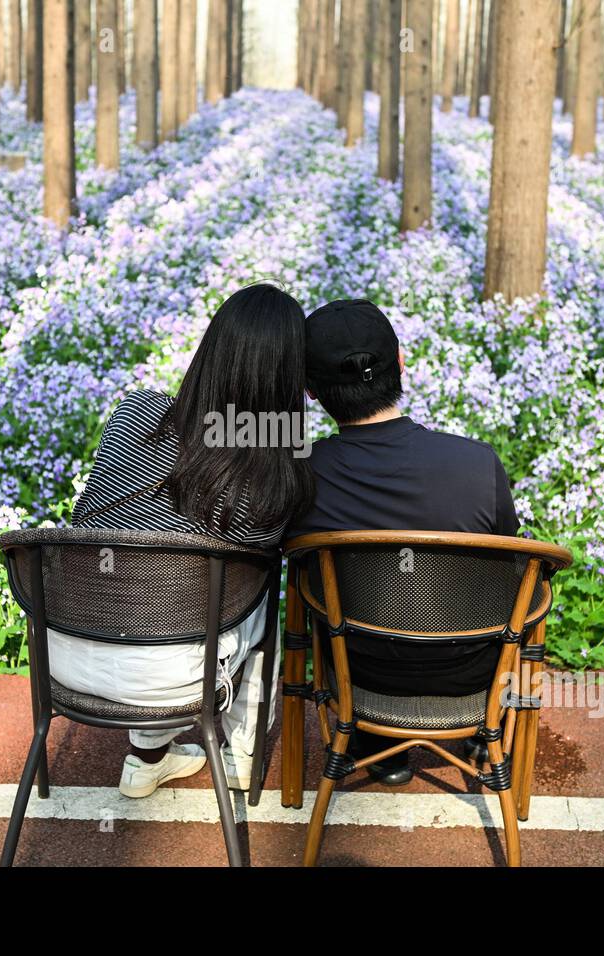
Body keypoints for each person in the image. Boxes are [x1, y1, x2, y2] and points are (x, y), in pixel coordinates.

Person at [49, 284, 315, 799]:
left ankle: (147, 759)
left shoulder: (135, 411)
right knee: (258, 588)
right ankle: (240, 755)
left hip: (66, 654)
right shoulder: (276, 473)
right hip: (173, 680)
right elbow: (243, 451)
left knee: (161, 578)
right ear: (289, 379)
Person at [288, 298, 520, 785]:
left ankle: (376, 743)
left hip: (360, 678)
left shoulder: (301, 474)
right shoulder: (479, 464)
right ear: (400, 363)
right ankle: (492, 733)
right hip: (472, 676)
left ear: (311, 390)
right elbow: (510, 567)